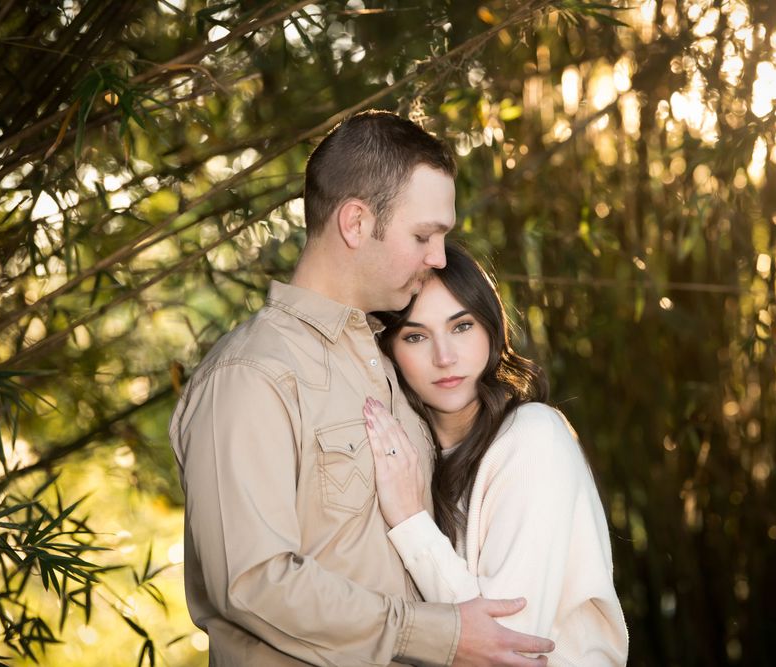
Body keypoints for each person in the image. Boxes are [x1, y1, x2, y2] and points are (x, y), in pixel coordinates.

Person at [169, 111, 555, 666]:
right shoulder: (251, 376)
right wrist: (440, 634)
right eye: (423, 235)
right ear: (354, 223)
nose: (439, 258)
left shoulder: (390, 362)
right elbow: (253, 584)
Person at [363, 243, 630, 666]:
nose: (444, 357)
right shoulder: (418, 456)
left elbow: (510, 644)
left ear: (492, 330)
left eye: (462, 326)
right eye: (416, 336)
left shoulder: (533, 438)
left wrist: (412, 524)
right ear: (390, 351)